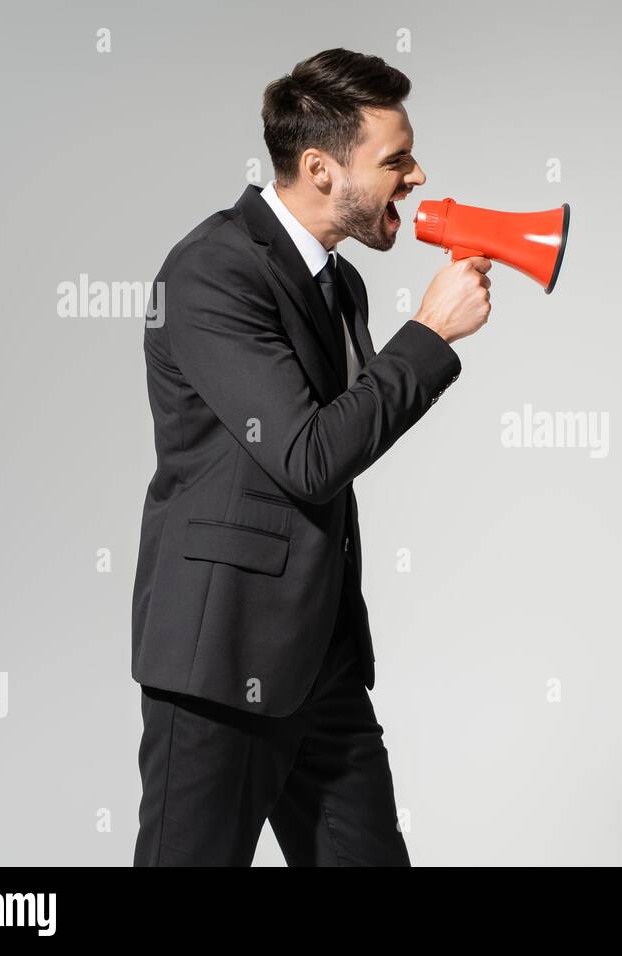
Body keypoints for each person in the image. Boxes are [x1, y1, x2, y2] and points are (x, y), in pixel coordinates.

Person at [130, 48, 491, 865]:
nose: (418, 175)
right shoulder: (212, 270)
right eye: (395, 159)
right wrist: (429, 337)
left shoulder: (339, 283)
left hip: (320, 661)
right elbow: (306, 456)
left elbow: (339, 443)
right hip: (220, 660)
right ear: (322, 169)